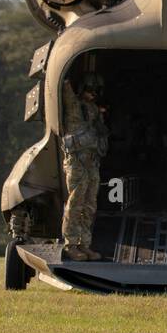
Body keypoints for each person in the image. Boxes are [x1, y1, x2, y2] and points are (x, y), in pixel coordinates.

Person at [60, 72, 109, 262]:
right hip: (77, 161)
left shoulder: (94, 110)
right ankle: (70, 245)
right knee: (75, 203)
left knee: (89, 205)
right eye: (90, 90)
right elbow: (64, 86)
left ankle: (84, 244)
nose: (93, 94)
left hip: (91, 160)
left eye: (96, 91)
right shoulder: (73, 105)